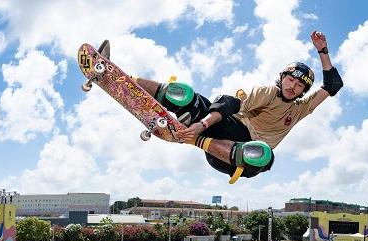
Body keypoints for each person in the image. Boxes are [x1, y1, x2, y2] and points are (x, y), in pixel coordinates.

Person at [124, 31, 342, 181]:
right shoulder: (268, 92)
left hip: (238, 158)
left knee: (264, 156)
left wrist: (323, 51)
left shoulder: (301, 108)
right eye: (290, 80)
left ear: (303, 91)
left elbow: (333, 84)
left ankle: (196, 139)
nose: (293, 86)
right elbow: (232, 103)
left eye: (299, 85)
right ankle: (124, 79)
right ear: (283, 77)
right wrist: (203, 123)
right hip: (227, 129)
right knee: (188, 96)